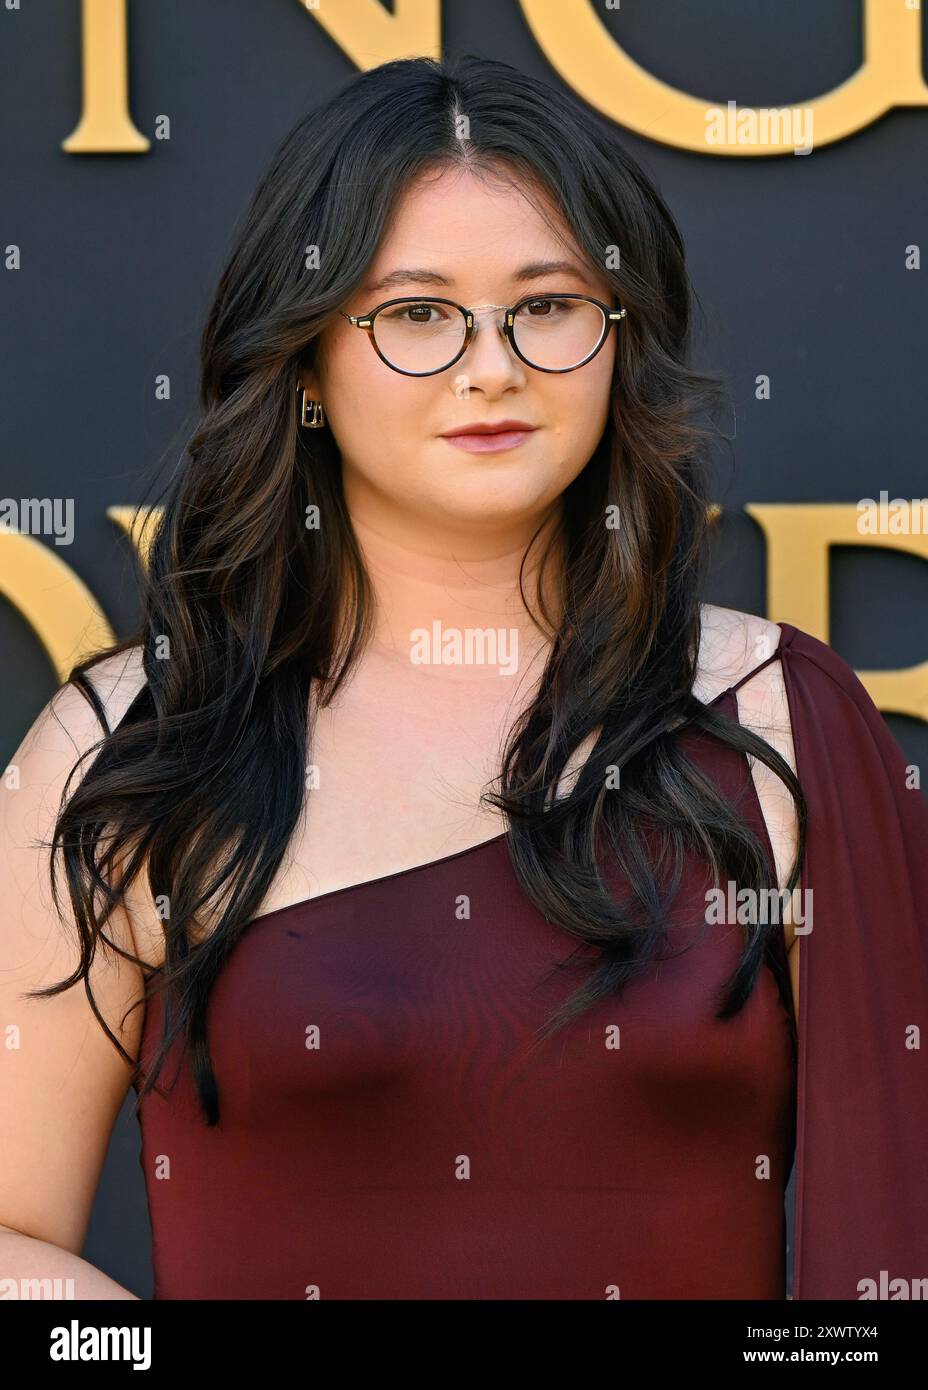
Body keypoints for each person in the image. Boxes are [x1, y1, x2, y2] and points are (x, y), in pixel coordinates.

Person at [1, 56, 925, 1302]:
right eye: (418, 312)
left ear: (618, 334)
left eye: (546, 305)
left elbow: (894, 1262)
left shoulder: (780, 716)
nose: (491, 366)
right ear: (306, 356)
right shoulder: (128, 746)